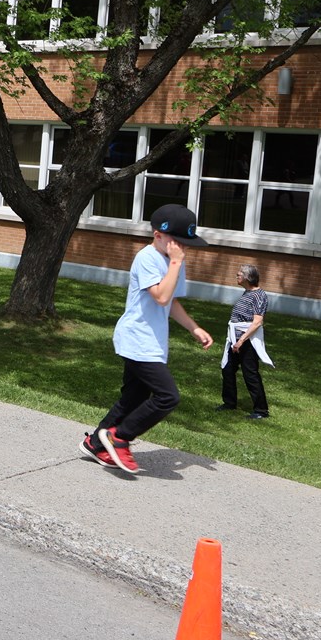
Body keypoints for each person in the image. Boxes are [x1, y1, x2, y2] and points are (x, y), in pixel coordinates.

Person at [80, 203, 214, 474]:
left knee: (133, 397)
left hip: (152, 342)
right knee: (167, 396)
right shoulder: (148, 258)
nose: (181, 248)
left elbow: (171, 302)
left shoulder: (174, 261)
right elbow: (160, 296)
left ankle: (96, 443)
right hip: (137, 339)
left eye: (185, 244)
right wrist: (175, 262)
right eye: (177, 242)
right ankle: (120, 438)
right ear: (158, 235)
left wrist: (193, 328)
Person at [218, 265, 274, 419]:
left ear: (248, 278)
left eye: (240, 273)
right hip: (235, 339)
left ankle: (261, 411)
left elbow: (257, 322)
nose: (237, 274)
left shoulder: (259, 295)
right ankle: (229, 403)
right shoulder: (248, 293)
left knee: (250, 374)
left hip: (247, 341)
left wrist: (241, 340)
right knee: (227, 369)